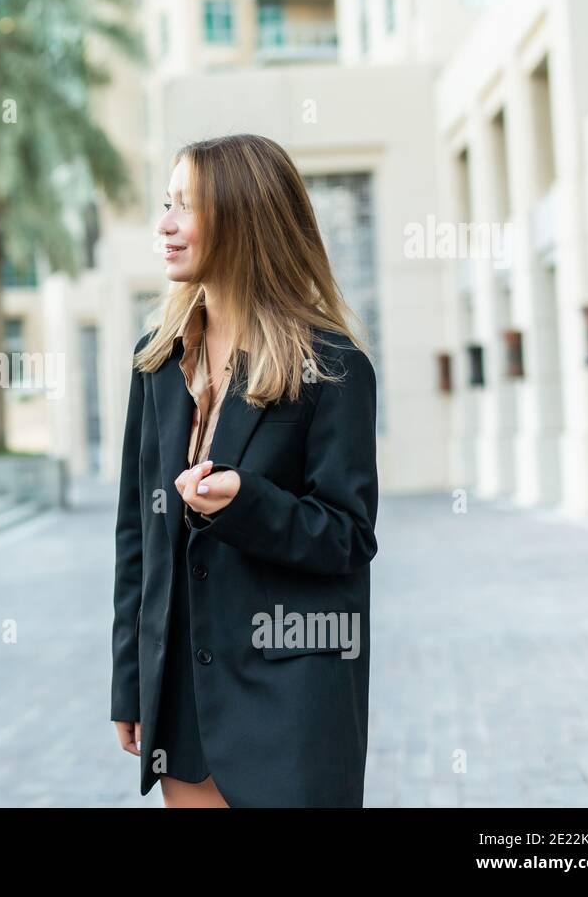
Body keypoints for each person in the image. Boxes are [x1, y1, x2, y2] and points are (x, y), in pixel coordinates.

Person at [111, 134, 379, 807]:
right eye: (165, 204)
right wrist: (133, 683)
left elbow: (348, 536)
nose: (165, 224)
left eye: (186, 207)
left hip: (293, 705)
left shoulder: (331, 365)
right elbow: (136, 539)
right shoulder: (157, 360)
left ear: (244, 217)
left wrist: (243, 504)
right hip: (185, 707)